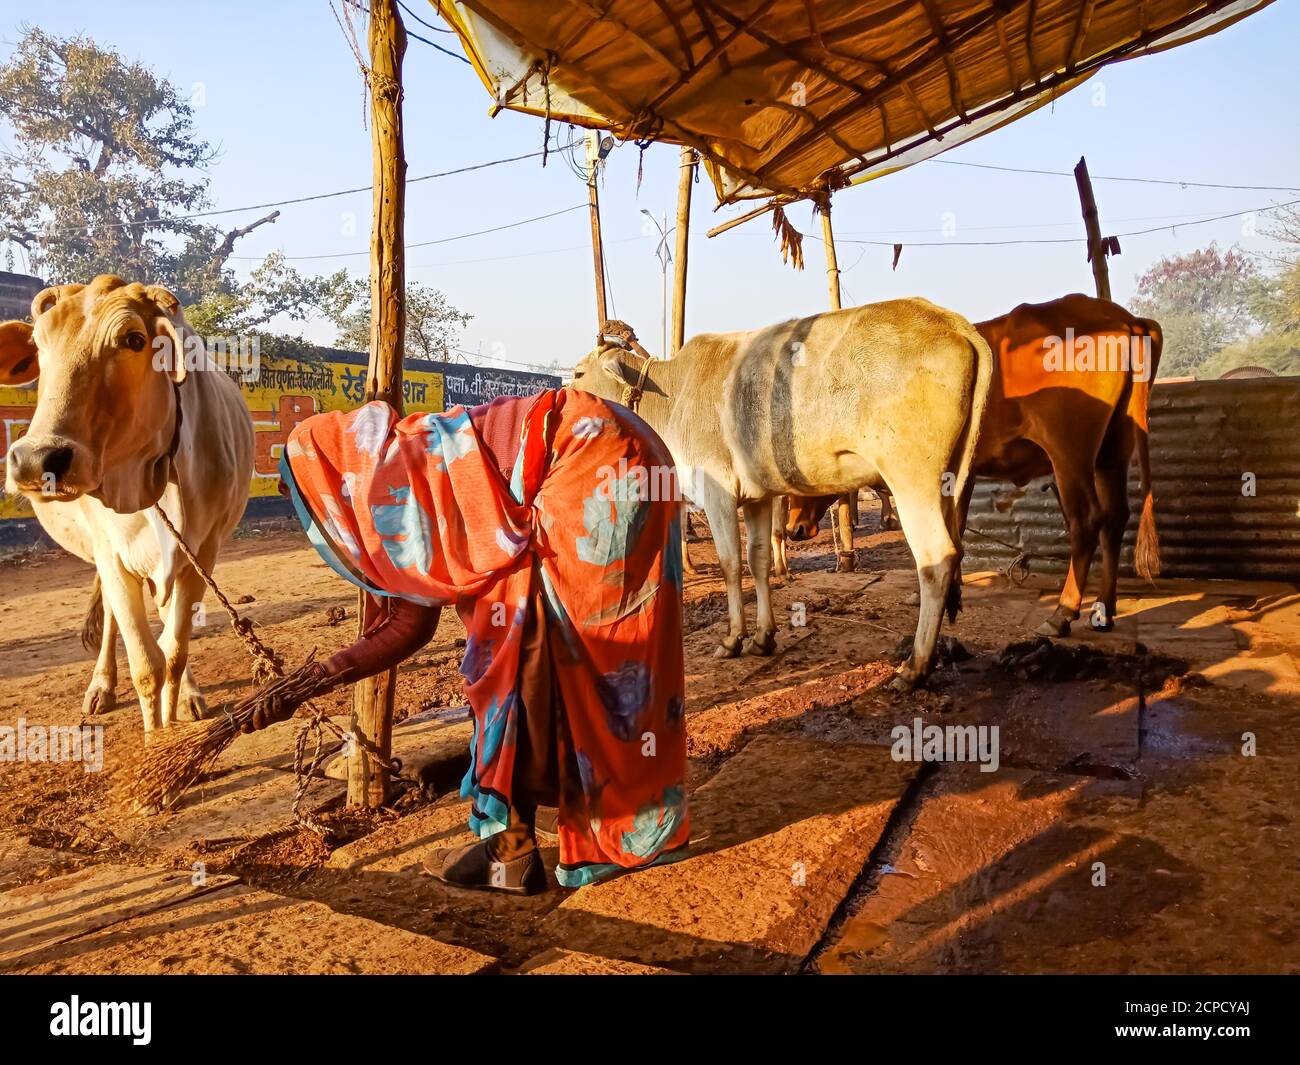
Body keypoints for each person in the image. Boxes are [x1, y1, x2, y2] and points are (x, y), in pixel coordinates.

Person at [244, 386, 690, 895]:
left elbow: (413, 626)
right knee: (563, 660)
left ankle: (516, 854)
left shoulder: (394, 480)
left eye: (309, 510)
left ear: (327, 486)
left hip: (588, 456)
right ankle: (534, 844)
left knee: (527, 661)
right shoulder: (397, 471)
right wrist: (303, 685)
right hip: (619, 450)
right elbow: (410, 623)